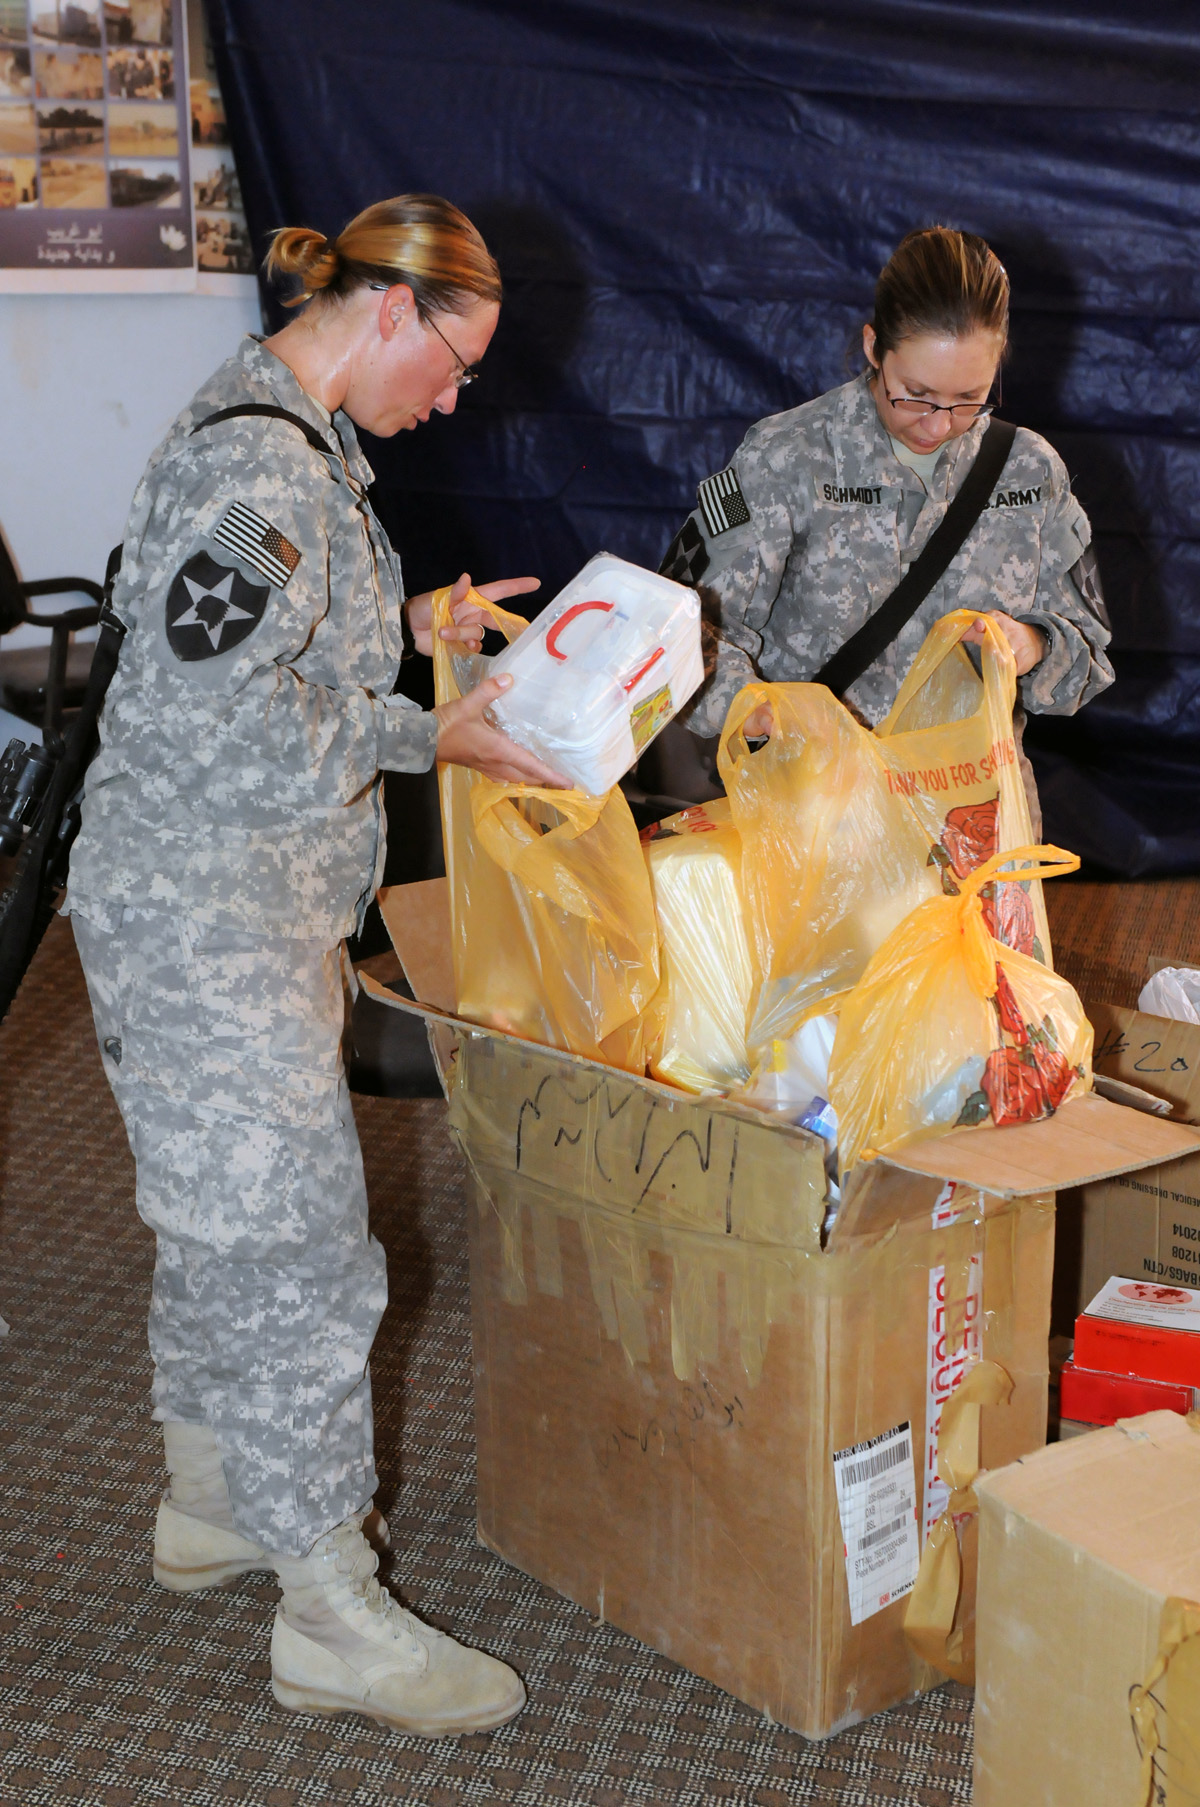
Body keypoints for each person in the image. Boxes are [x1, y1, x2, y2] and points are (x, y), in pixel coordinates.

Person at [66, 194, 566, 1740]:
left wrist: (418, 626)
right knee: (293, 1250)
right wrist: (440, 729)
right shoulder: (258, 461)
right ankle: (329, 1612)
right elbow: (219, 718)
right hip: (201, 924)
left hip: (232, 913)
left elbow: (254, 644)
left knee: (224, 1222)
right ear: (397, 312)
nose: (457, 398)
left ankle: (216, 1496)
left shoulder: (299, 443)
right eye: (459, 363)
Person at [660, 226, 1114, 801]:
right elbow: (675, 631)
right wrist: (762, 714)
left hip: (971, 821)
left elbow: (1089, 653)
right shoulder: (786, 457)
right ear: (875, 347)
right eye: (916, 394)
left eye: (970, 398)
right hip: (816, 814)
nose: (940, 423)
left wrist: (1033, 645)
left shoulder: (1028, 472)